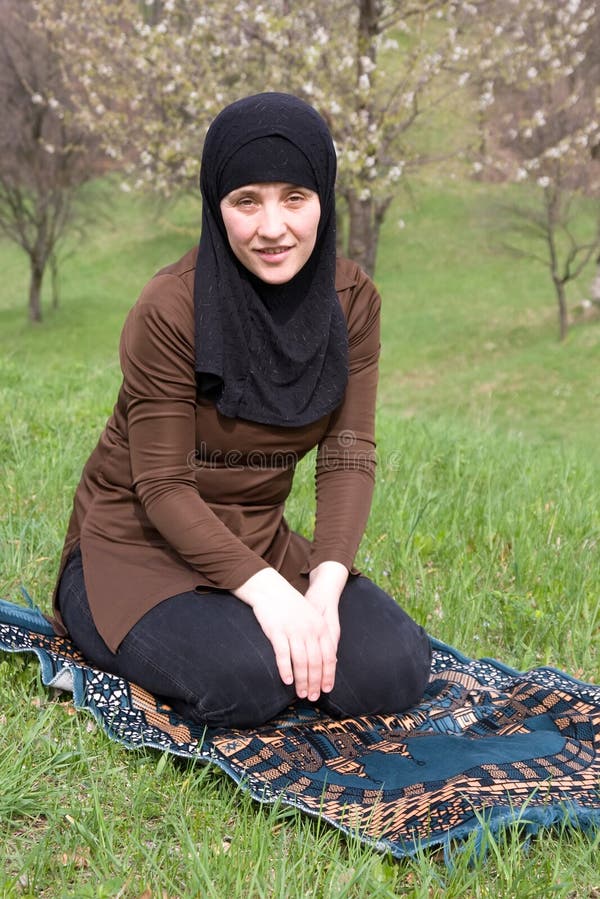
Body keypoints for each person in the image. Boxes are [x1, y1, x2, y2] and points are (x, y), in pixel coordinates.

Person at [53, 92, 431, 728]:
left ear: (323, 200)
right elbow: (162, 484)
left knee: (394, 668)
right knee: (247, 684)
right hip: (133, 546)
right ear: (216, 207)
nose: (273, 227)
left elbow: (347, 455)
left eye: (295, 198)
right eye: (246, 201)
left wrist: (324, 589)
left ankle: (250, 620)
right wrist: (272, 600)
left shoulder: (353, 302)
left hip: (260, 539)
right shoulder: (169, 309)